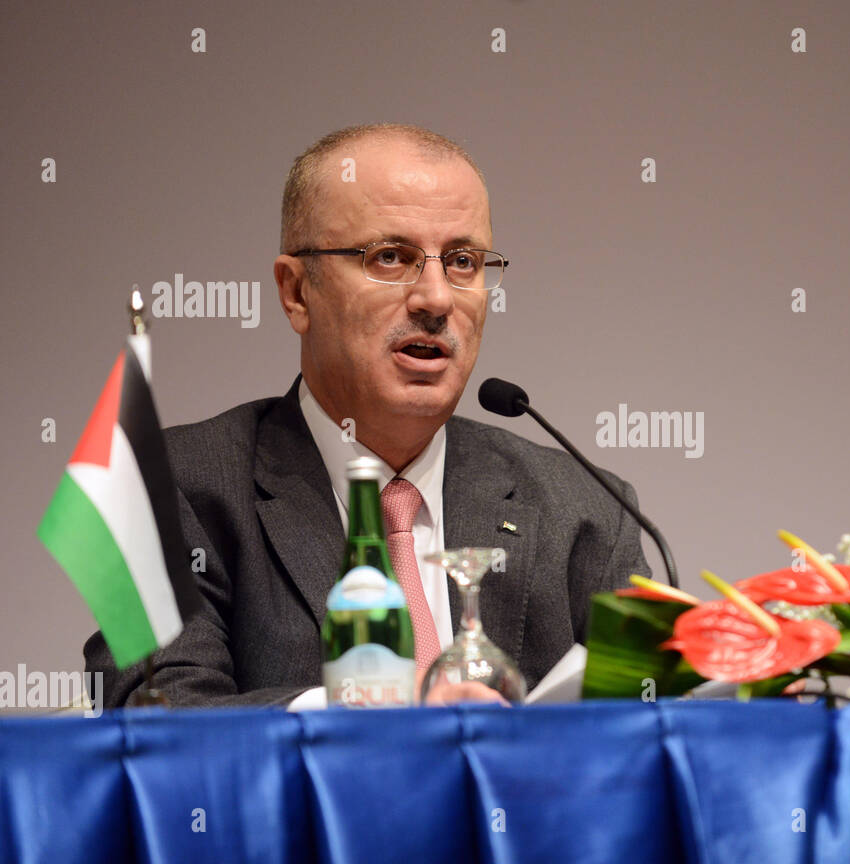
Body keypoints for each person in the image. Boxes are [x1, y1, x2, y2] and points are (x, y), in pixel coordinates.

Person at [84, 123, 651, 707]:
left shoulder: (587, 510)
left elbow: (649, 737)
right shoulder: (171, 489)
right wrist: (364, 713)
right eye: (390, 257)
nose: (436, 298)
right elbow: (157, 717)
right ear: (297, 292)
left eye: (462, 261)